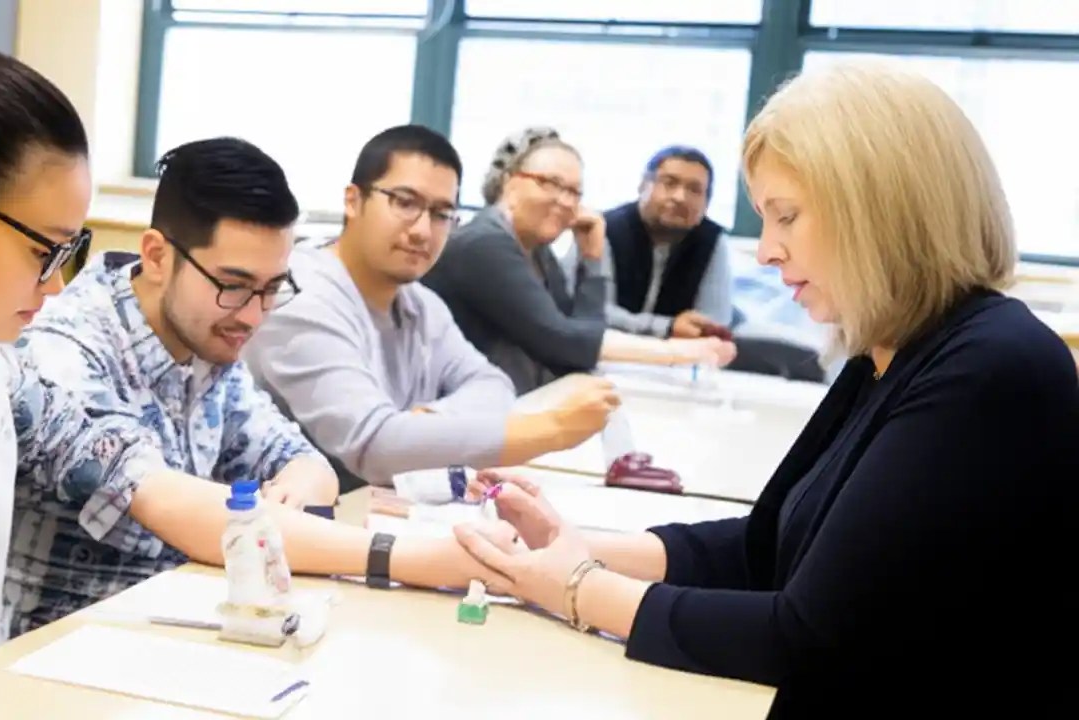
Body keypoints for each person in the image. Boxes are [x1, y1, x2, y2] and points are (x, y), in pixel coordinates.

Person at [0, 44, 507, 716]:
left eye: (70, 251)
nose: (59, 281)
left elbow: (143, 481)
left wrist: (422, 556)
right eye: (44, 250)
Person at [453, 63, 1076, 716]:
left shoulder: (989, 367)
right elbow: (771, 544)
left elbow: (808, 634)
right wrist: (573, 547)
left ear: (882, 210)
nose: (766, 252)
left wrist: (578, 588)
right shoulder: (895, 348)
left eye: (787, 217)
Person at [4, 136, 341, 631]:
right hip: (57, 655)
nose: (252, 315)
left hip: (177, 633)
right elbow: (170, 504)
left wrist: (292, 493)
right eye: (234, 286)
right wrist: (415, 557)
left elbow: (305, 462)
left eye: (272, 289)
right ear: (158, 257)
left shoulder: (208, 342)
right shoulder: (66, 347)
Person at [243, 125, 619, 490]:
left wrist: (423, 424)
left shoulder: (420, 303)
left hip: (383, 511)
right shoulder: (300, 297)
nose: (423, 230)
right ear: (353, 200)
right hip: (282, 528)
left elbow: (494, 385)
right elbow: (376, 447)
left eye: (441, 213)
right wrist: (553, 429)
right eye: (405, 203)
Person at [421, 127, 735, 394]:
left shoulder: (537, 250)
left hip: (507, 413)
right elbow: (566, 342)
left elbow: (580, 331)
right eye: (550, 183)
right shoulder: (485, 243)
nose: (565, 201)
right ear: (510, 184)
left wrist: (592, 259)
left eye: (574, 192)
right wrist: (675, 351)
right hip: (451, 422)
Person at [596, 146, 733, 339]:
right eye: (669, 183)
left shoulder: (713, 241)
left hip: (678, 361)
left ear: (707, 202)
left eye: (694, 190)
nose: (680, 197)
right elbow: (594, 312)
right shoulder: (603, 229)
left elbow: (713, 321)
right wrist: (666, 327)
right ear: (643, 185)